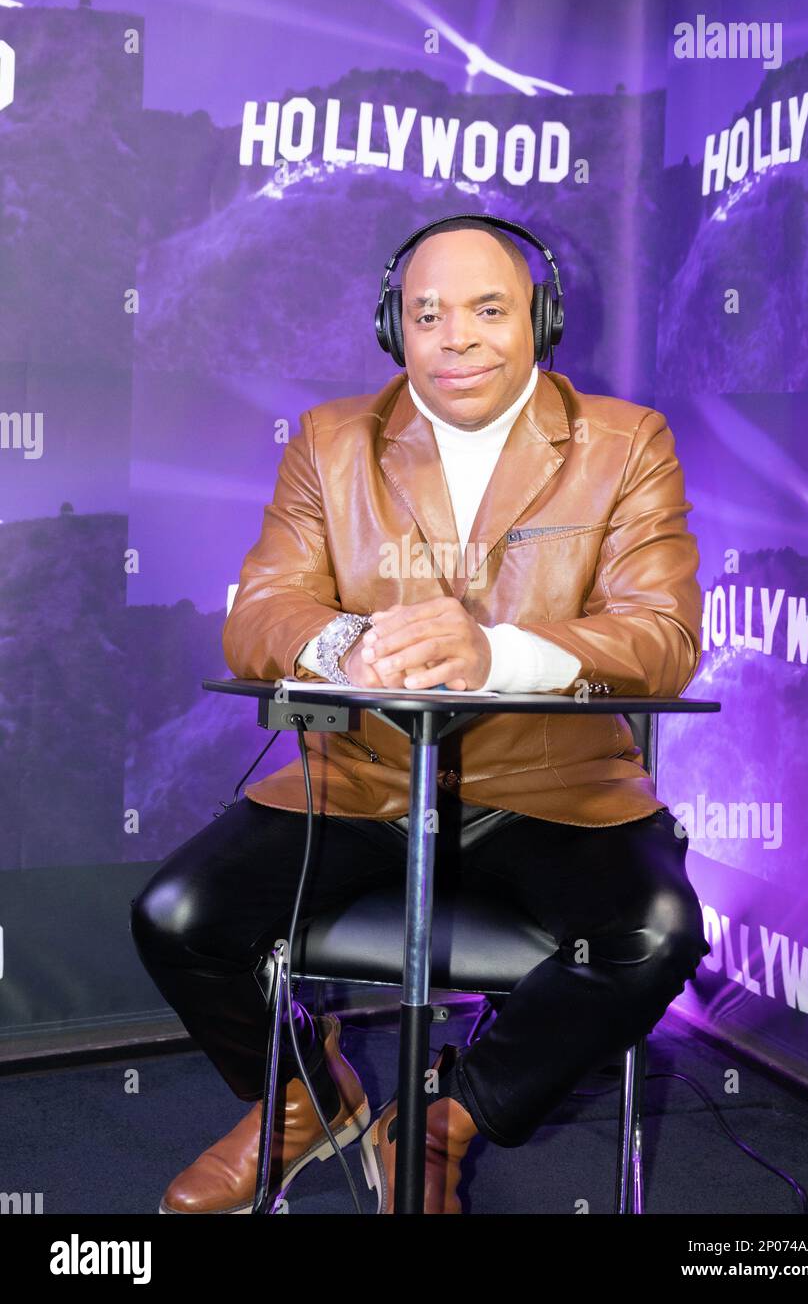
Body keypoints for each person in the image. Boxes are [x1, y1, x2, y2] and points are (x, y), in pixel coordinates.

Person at [129, 216, 711, 1214]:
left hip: (556, 788)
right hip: (363, 778)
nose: (455, 337)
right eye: (426, 312)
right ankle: (309, 1101)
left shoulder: (624, 443)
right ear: (392, 327)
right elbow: (263, 611)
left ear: (540, 319)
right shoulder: (328, 440)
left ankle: (439, 1121)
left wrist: (497, 651)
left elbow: (659, 633)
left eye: (488, 309)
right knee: (178, 916)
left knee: (653, 936)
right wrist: (343, 644)